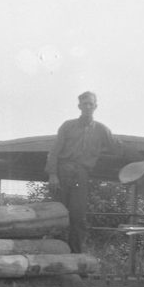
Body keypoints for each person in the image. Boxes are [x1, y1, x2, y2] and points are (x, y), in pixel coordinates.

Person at [46, 91, 120, 253]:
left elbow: (117, 147)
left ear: (95, 107)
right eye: (84, 103)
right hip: (63, 173)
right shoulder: (67, 126)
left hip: (81, 175)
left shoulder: (101, 130)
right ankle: (53, 255)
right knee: (57, 215)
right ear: (79, 106)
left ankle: (76, 257)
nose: (87, 106)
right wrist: (53, 174)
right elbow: (54, 152)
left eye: (90, 104)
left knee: (78, 217)